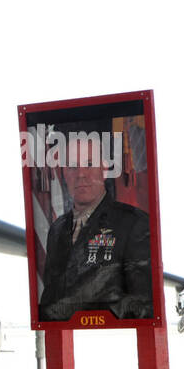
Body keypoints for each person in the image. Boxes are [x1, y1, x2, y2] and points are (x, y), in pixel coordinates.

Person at [39, 138, 152, 322]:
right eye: (72, 166)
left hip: (115, 335)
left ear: (104, 169)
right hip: (64, 329)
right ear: (64, 173)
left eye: (89, 164)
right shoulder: (57, 230)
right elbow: (49, 298)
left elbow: (142, 303)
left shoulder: (132, 223)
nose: (81, 174)